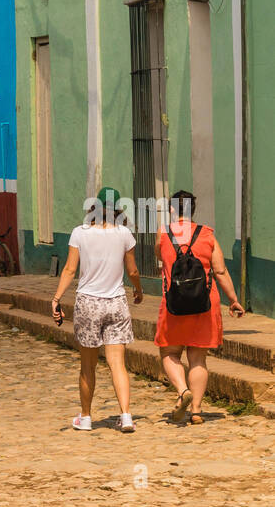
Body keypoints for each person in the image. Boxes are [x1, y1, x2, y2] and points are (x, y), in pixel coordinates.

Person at [51, 186, 143, 433]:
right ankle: (125, 416)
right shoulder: (125, 234)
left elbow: (70, 270)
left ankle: (86, 417)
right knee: (118, 365)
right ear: (117, 211)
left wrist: (57, 298)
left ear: (94, 208)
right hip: (116, 303)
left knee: (87, 366)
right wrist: (139, 290)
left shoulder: (80, 233)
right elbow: (132, 271)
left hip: (88, 304)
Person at [155, 189, 244, 425]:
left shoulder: (163, 234)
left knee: (170, 352)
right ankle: (195, 410)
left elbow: (161, 261)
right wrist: (233, 299)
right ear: (192, 210)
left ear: (173, 209)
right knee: (198, 358)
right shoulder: (207, 234)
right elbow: (220, 271)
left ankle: (183, 391)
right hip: (204, 303)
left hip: (174, 303)